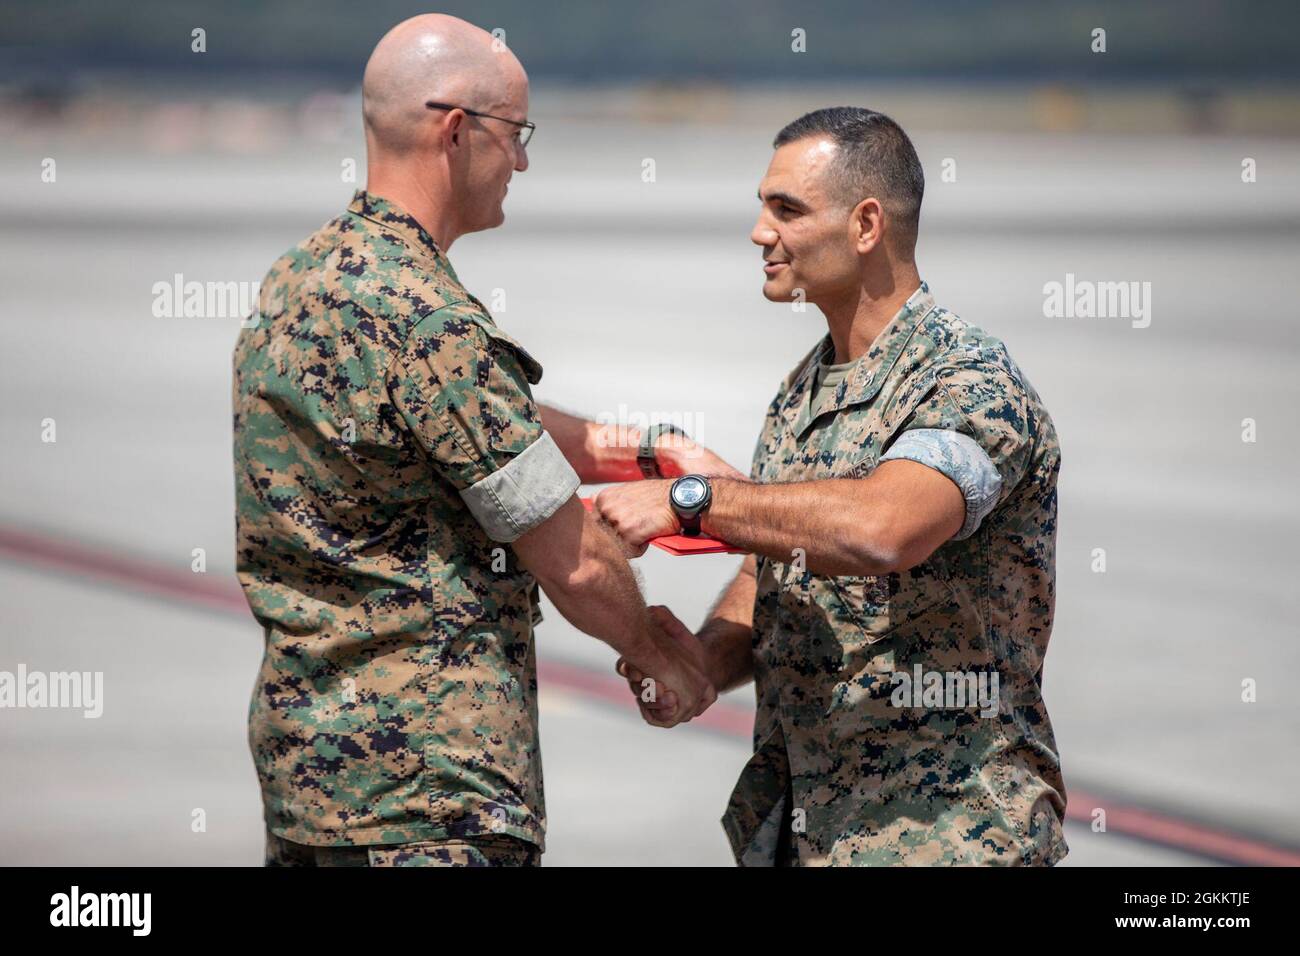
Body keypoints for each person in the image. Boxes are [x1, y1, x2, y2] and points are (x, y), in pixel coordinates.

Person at [232, 13, 729, 868]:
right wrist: (658, 654)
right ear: (456, 133)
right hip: (427, 800)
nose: (524, 161)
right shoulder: (426, 320)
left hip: (311, 785)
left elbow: (471, 425)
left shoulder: (302, 280)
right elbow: (568, 553)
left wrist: (640, 449)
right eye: (515, 135)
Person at [596, 107, 1068, 866]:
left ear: (866, 224)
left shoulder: (966, 380)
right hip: (810, 831)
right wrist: (704, 664)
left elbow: (883, 529)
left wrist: (692, 500)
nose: (759, 231)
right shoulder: (802, 391)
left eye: (786, 209)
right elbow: (774, 563)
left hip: (946, 835)